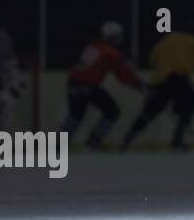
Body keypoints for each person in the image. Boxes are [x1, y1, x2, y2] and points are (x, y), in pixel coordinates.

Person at [120, 25, 194, 151]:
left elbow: (153, 59)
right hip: (179, 80)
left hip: (161, 82)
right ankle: (177, 140)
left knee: (149, 112)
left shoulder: (168, 39)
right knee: (192, 104)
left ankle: (127, 139)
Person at [59, 21, 144, 149]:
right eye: (118, 36)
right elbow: (123, 75)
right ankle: (93, 142)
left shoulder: (92, 46)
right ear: (110, 37)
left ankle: (58, 145)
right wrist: (139, 85)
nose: (120, 39)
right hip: (88, 85)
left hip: (73, 82)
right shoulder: (111, 52)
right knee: (112, 111)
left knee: (75, 115)